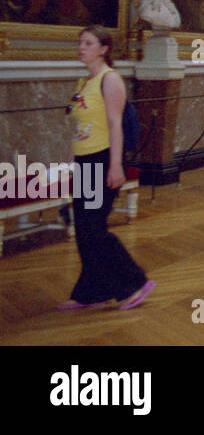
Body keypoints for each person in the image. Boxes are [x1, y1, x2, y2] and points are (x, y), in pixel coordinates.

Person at [58, 26, 153, 311]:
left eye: (88, 43)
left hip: (103, 161)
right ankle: (91, 291)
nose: (81, 47)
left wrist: (115, 165)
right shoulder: (83, 82)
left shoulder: (109, 80)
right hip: (86, 161)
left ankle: (134, 281)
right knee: (86, 229)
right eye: (80, 42)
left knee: (95, 229)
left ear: (104, 48)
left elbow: (114, 124)